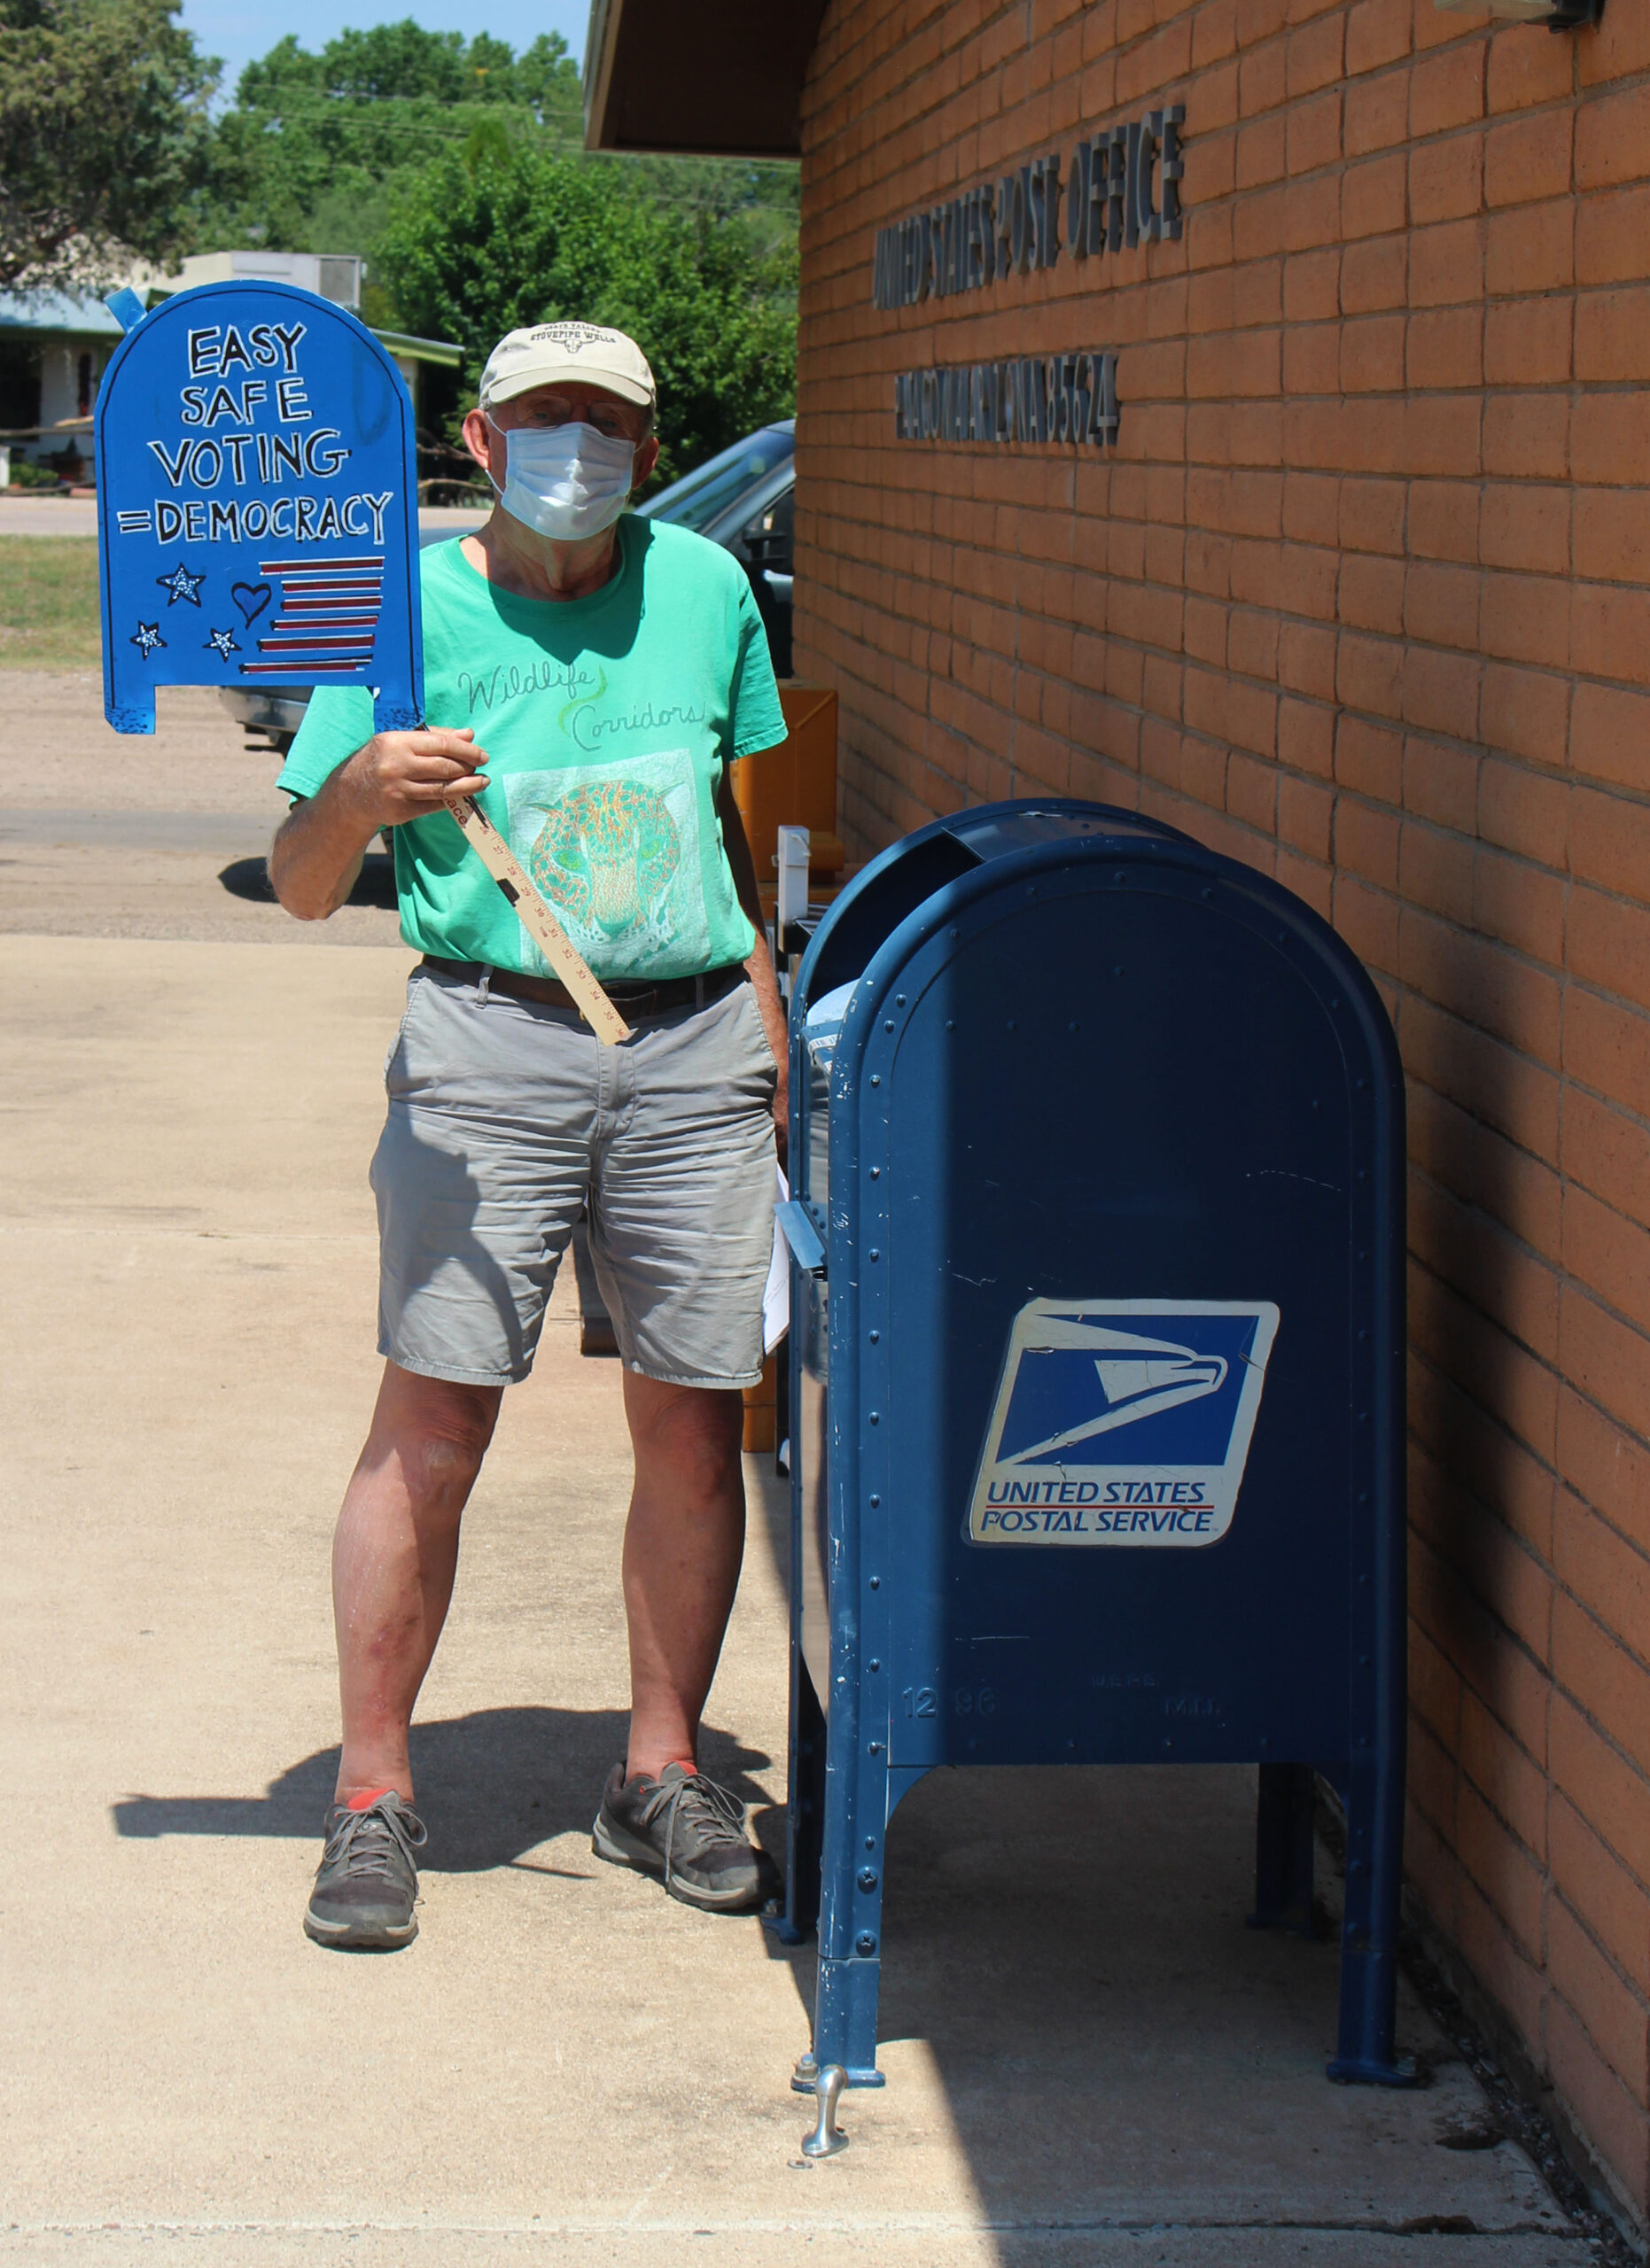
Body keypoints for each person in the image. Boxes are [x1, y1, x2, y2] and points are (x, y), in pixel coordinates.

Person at [269, 320, 790, 1949]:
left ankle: (659, 1771)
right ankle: (370, 1799)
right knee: (430, 1429)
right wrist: (359, 792)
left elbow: (761, 841)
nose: (583, 447)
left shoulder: (710, 590)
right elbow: (292, 879)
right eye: (546, 421)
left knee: (700, 1421)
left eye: (611, 422)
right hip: (488, 1045)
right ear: (481, 444)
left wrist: (771, 1051)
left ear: (647, 438)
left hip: (695, 1043)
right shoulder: (394, 606)